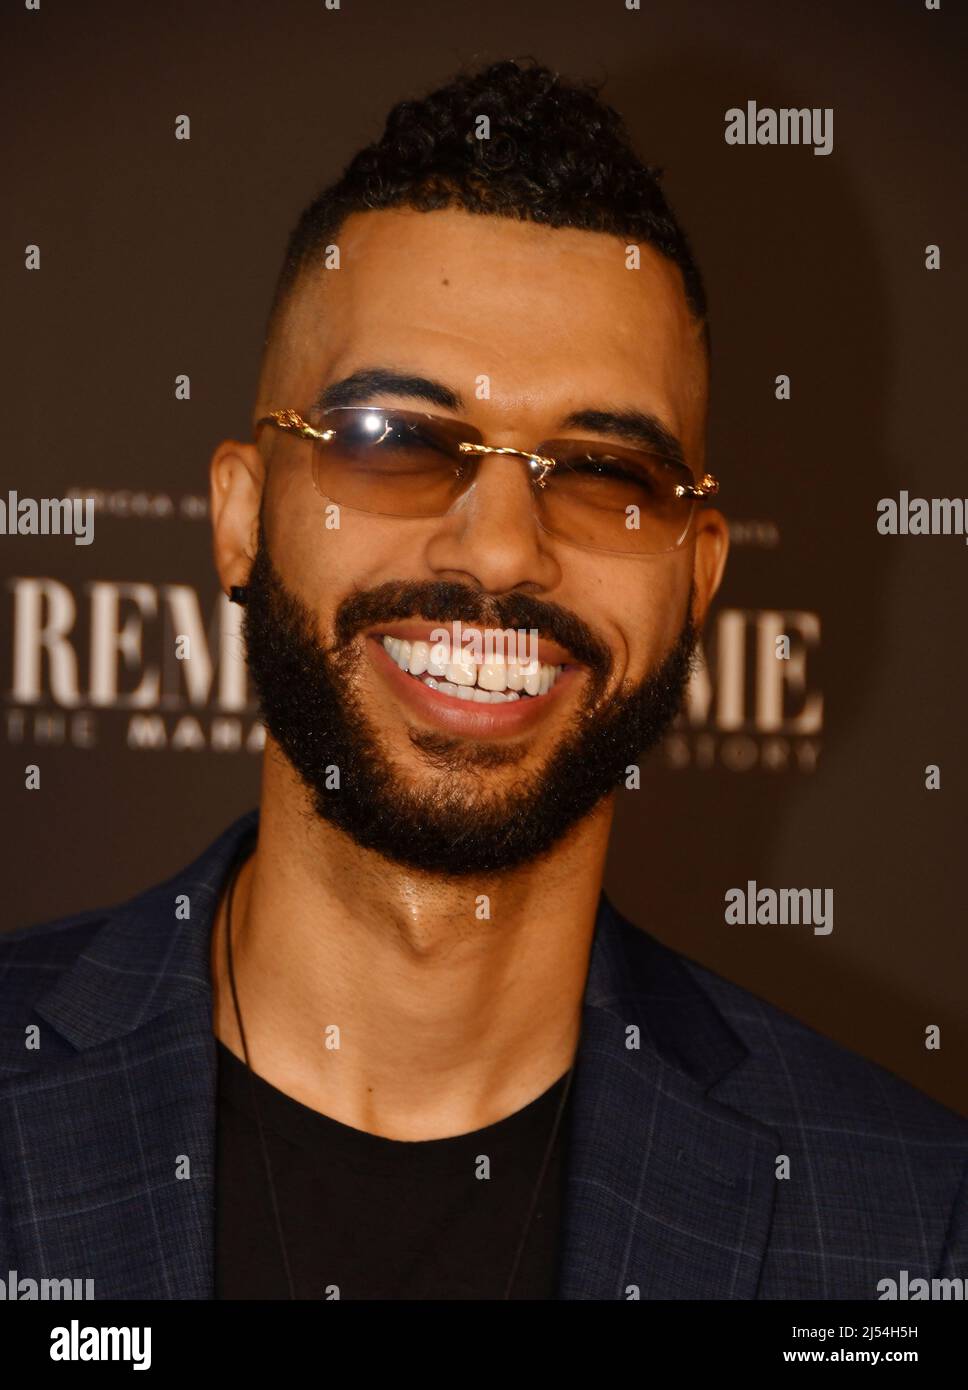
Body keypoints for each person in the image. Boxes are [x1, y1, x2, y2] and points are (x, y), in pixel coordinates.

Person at [1, 57, 965, 1302]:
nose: (503, 546)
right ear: (241, 517)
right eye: (395, 439)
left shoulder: (905, 1222)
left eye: (608, 471)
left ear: (697, 573)